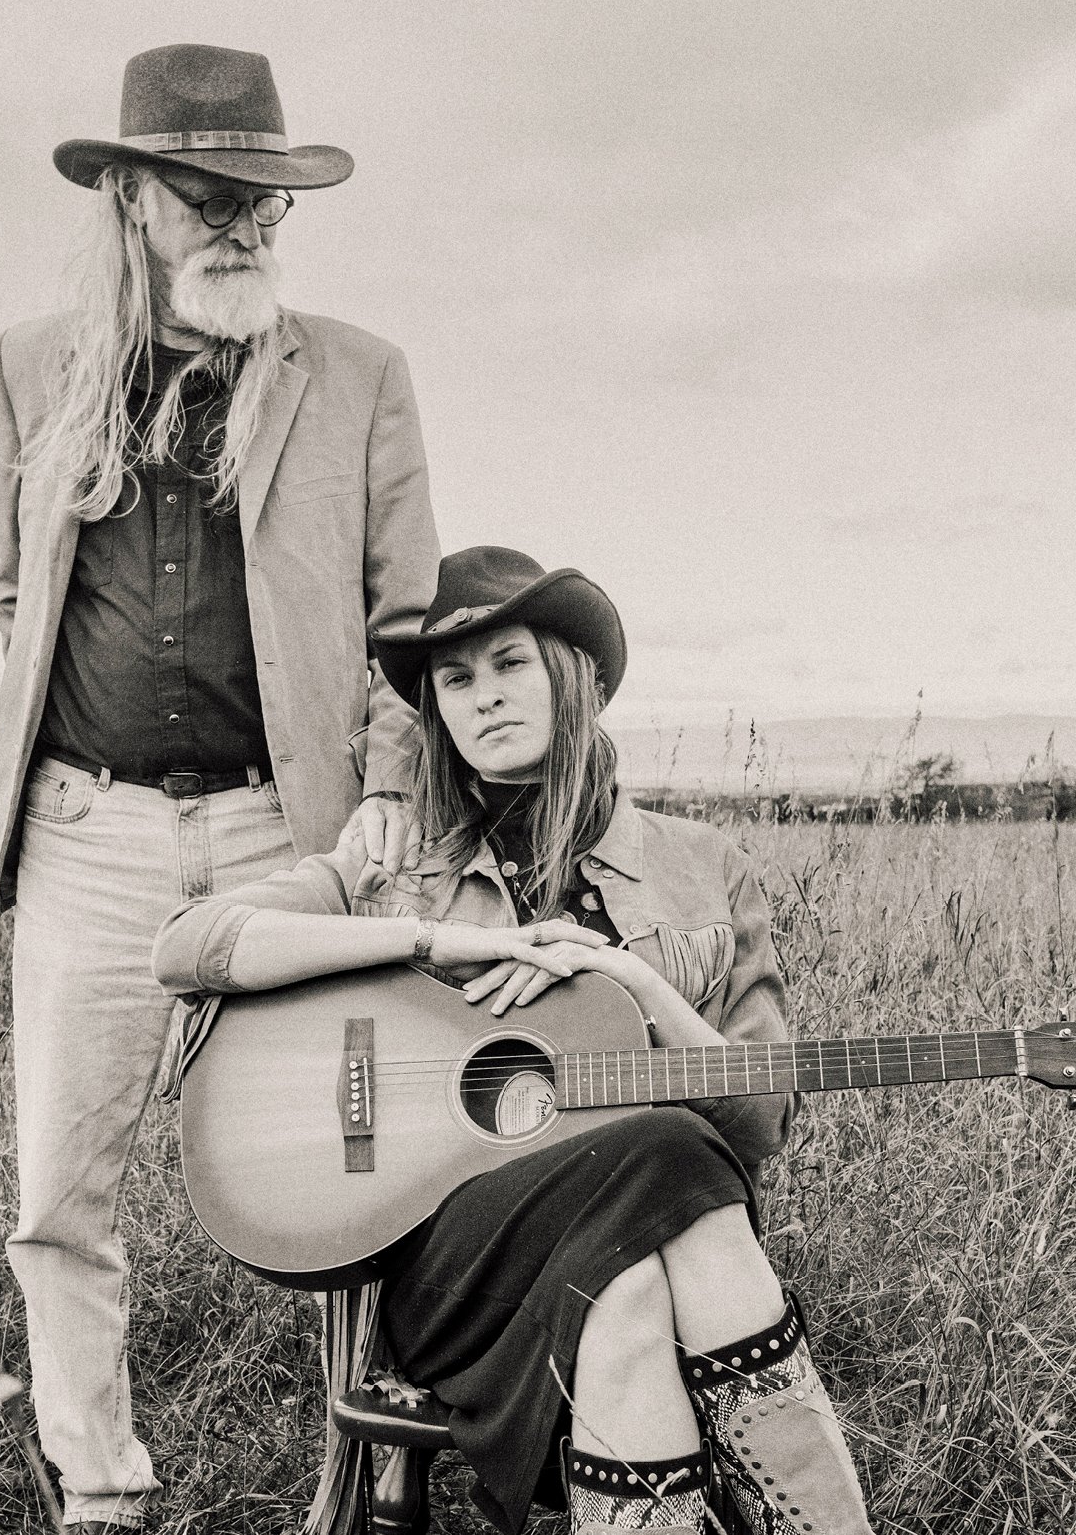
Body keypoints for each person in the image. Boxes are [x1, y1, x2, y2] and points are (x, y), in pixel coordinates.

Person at [155, 548, 874, 1535]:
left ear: (569, 675)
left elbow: (755, 1129)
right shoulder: (392, 866)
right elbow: (189, 947)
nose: (481, 698)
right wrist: (435, 940)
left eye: (508, 666)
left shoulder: (706, 870)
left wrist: (628, 975)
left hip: (643, 1251)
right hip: (458, 1281)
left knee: (627, 1290)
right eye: (454, 680)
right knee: (666, 1147)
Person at [0, 44, 440, 1532]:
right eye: (207, 189)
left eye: (267, 197)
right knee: (59, 1186)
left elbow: (407, 623)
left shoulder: (360, 374)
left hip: (281, 833)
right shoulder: (28, 366)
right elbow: (14, 589)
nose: (242, 220)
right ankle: (98, 1485)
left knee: (349, 1161)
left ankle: (363, 1469)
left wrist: (380, 788)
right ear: (127, 194)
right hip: (83, 831)